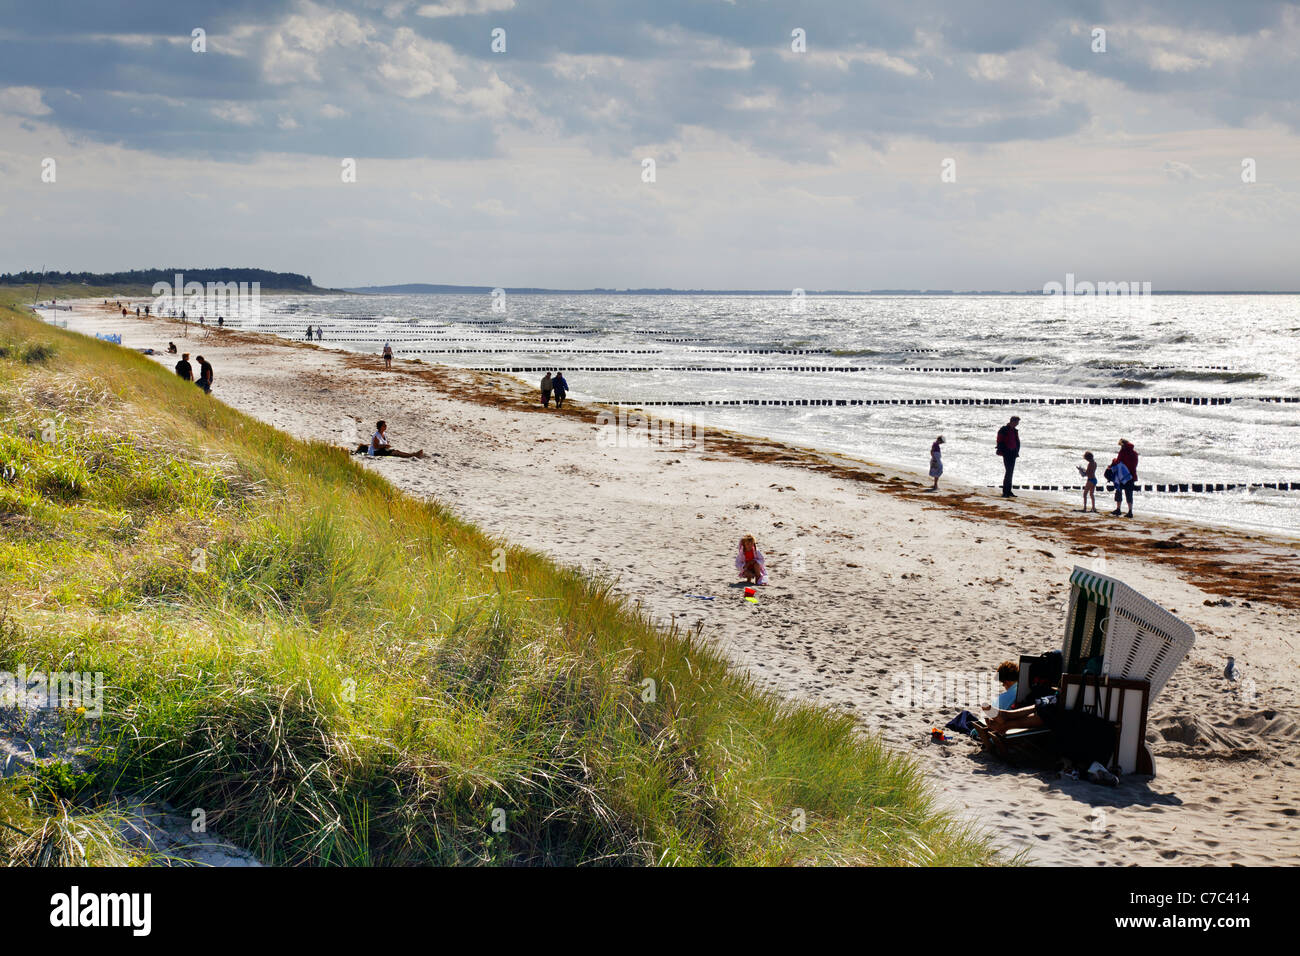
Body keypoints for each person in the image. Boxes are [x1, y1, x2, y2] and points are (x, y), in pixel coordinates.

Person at [1109, 439, 1138, 518]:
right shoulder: (1134, 453)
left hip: (1121, 476)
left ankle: (1118, 509)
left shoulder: (1122, 452)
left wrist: (1113, 461)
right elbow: (1134, 465)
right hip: (1131, 476)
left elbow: (1118, 461)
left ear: (1123, 445)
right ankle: (1130, 511)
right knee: (1129, 494)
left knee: (1119, 491)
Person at [996, 415, 1020, 498]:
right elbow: (999, 440)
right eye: (1016, 422)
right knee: (1008, 472)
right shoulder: (1004, 429)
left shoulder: (1014, 430)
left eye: (1018, 422)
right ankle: (1005, 492)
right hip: (1006, 452)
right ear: (1012, 421)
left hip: (1013, 453)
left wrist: (1017, 451)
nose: (1017, 424)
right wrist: (1000, 450)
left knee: (1010, 472)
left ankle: (1009, 491)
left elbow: (1016, 442)